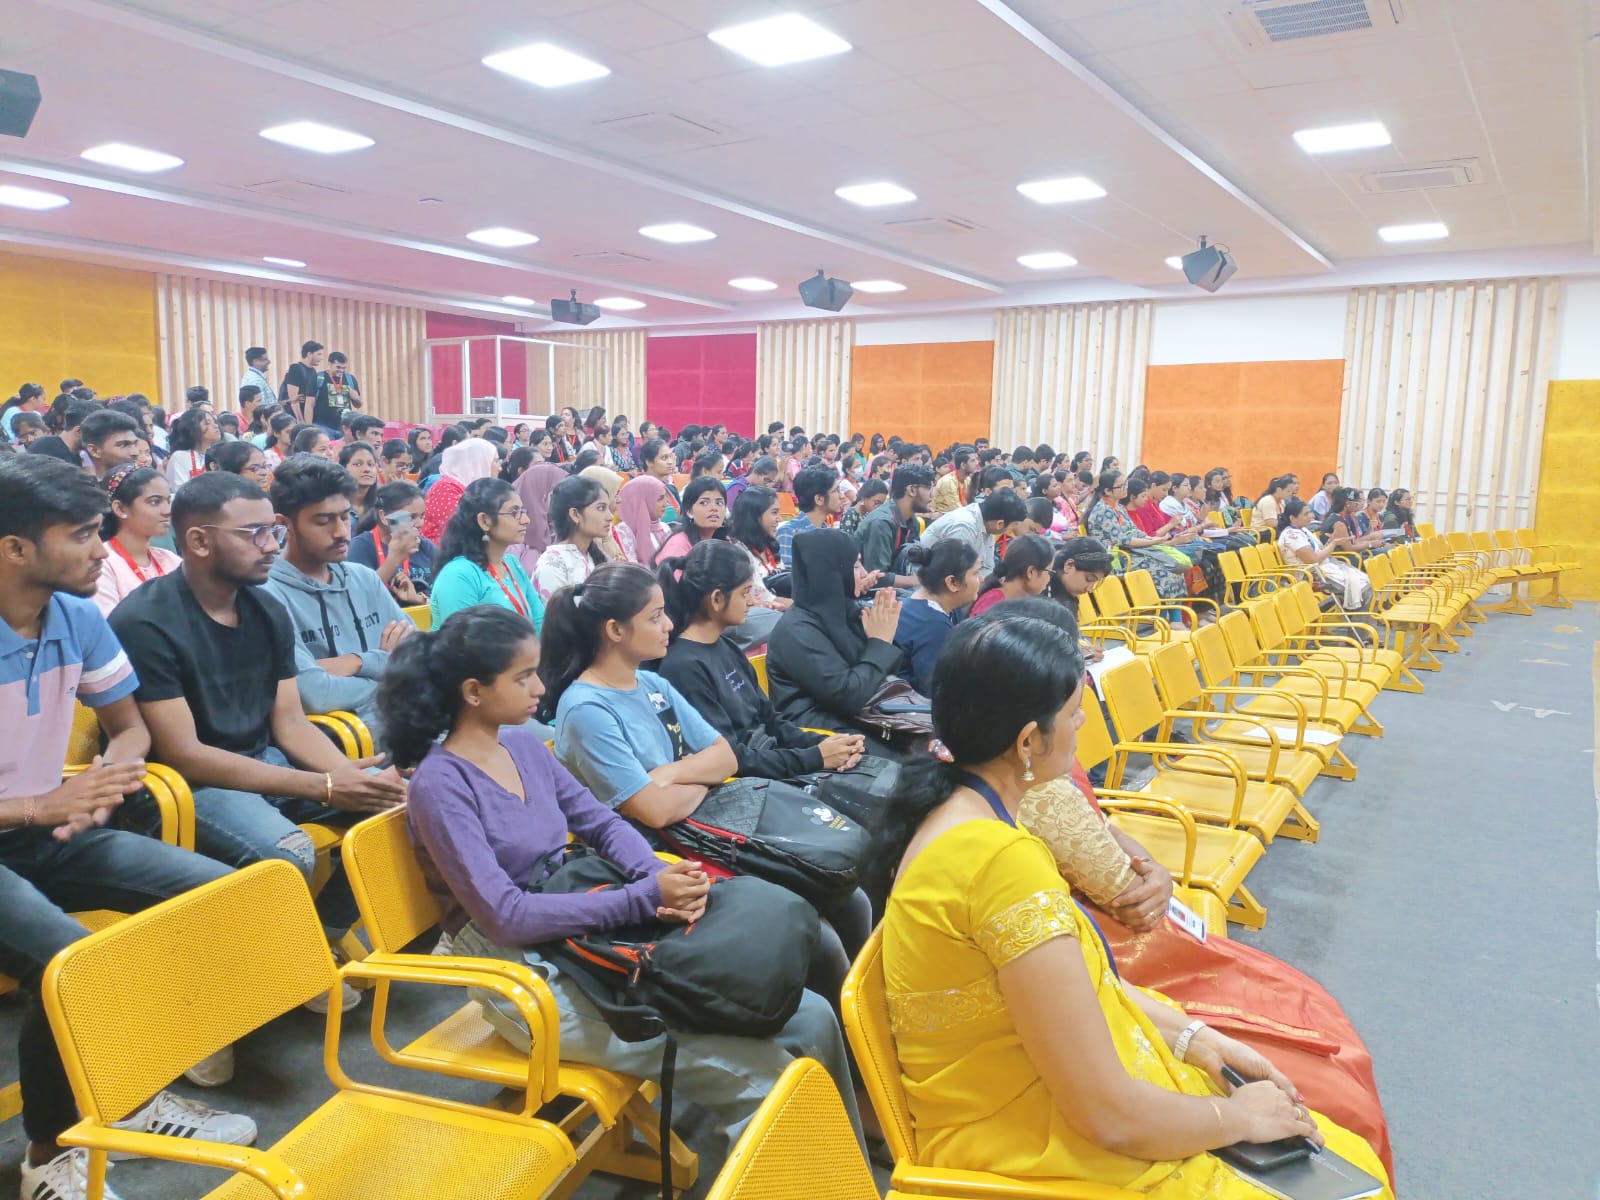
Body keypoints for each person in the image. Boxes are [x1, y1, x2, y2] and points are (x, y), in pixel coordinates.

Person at [874, 612, 1393, 1198]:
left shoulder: (963, 814)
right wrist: (1238, 1120)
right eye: (1073, 713)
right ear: (1028, 742)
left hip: (1031, 1114)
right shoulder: (997, 859)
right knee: (1349, 1171)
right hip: (1032, 1157)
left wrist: (1196, 1038)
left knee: (1331, 1145)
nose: (1083, 723)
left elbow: (1071, 1001)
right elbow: (1109, 1118)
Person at [381, 604, 858, 1161]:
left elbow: (602, 822)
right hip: (521, 976)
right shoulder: (440, 786)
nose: (540, 687)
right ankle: (815, 1172)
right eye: (523, 677)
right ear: (473, 691)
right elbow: (503, 917)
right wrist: (642, 897)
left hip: (579, 920)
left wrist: (656, 874)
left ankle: (838, 1161)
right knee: (766, 1083)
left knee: (812, 1015)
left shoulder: (523, 746)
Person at [0, 456, 260, 1200]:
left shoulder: (77, 615)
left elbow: (129, 728)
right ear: (16, 548)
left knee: (220, 898)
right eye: (83, 534)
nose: (101, 548)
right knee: (69, 960)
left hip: (53, 826)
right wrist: (36, 806)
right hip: (32, 823)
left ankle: (131, 1096)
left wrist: (114, 769)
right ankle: (49, 1157)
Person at [108, 472, 409, 1032]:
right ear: (198, 541)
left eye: (273, 530)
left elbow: (290, 724)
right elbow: (186, 754)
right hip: (183, 785)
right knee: (287, 852)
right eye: (255, 534)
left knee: (398, 804)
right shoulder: (145, 621)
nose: (272, 545)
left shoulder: (265, 609)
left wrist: (349, 777)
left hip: (262, 764)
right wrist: (324, 786)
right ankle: (217, 1009)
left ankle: (315, 944)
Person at [539, 561, 871, 1014]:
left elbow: (726, 757)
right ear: (615, 629)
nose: (669, 624)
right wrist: (695, 776)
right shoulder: (587, 710)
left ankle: (863, 1020)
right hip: (656, 854)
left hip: (705, 822)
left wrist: (672, 774)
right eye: (654, 616)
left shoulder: (652, 682)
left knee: (851, 897)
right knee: (820, 933)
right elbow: (652, 813)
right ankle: (848, 1050)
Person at [658, 540, 866, 781]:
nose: (752, 601)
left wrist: (829, 744)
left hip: (774, 761)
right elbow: (730, 757)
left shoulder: (725, 646)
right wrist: (815, 757)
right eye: (745, 592)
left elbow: (770, 719)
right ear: (716, 599)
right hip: (751, 780)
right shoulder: (683, 667)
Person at [262, 456, 412, 748]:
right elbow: (315, 694)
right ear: (284, 524)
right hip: (336, 742)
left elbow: (420, 659)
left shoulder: (363, 578)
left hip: (400, 722)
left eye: (344, 517)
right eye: (323, 521)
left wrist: (356, 662)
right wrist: (387, 668)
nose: (341, 532)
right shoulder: (268, 595)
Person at [767, 530, 904, 734]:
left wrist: (881, 640)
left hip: (864, 716)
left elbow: (888, 672)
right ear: (831, 572)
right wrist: (879, 643)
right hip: (820, 732)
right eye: (856, 565)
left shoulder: (848, 611)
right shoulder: (795, 631)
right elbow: (847, 697)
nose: (865, 573)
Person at [430, 477, 543, 629]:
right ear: (484, 521)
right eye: (514, 512)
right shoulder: (458, 574)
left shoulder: (511, 563)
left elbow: (539, 621)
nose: (526, 520)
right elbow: (460, 642)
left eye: (523, 511)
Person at [891, 540, 982, 696]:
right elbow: (934, 690)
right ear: (952, 582)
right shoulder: (933, 626)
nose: (982, 579)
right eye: (975, 573)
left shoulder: (923, 606)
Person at [1084, 471, 1188, 604]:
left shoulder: (1119, 507)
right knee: (1164, 571)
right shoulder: (1103, 510)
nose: (1125, 488)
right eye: (1121, 486)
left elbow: (1134, 531)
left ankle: (1174, 618)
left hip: (1130, 552)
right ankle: (1163, 616)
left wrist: (1151, 540)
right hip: (1116, 557)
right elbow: (1121, 540)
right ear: (1108, 491)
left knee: (1175, 567)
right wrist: (1152, 541)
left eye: (1126, 484)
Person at [93, 465, 180, 616]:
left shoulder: (170, 559)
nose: (167, 511)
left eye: (168, 500)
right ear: (120, 509)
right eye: (154, 502)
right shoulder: (102, 563)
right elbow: (111, 627)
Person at [349, 480, 435, 603]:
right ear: (383, 516)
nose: (420, 524)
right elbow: (360, 595)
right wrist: (394, 559)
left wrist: (418, 599)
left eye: (422, 516)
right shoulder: (361, 546)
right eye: (411, 517)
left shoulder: (425, 546)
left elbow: (443, 594)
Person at [1276, 498, 1371, 610]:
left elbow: (1320, 552)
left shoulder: (1304, 530)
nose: (1311, 516)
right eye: (1306, 514)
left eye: (1310, 512)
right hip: (1312, 576)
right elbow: (1313, 560)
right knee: (1363, 589)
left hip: (1324, 568)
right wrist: (1334, 543)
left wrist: (1332, 541)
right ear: (1292, 518)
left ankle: (1356, 621)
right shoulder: (1292, 536)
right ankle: (1359, 625)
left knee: (1367, 581)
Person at [919, 487, 1029, 576]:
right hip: (927, 583)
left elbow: (988, 568)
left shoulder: (987, 524)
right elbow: (956, 575)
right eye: (1014, 525)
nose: (1012, 530)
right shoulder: (964, 526)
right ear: (1000, 524)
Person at [534, 474, 612, 600]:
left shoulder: (595, 556)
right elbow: (557, 617)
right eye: (601, 508)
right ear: (575, 515)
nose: (610, 516)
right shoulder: (553, 564)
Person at [858, 464, 933, 586]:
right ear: (912, 490)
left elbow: (910, 560)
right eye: (929, 488)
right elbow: (876, 576)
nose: (931, 495)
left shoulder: (912, 520)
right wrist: (922, 581)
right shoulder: (881, 523)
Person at [727, 485, 793, 614]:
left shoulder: (770, 546)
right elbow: (767, 599)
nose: (779, 519)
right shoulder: (738, 553)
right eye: (774, 512)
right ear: (754, 517)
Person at [421, 436, 498, 543]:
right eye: (496, 461)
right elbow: (464, 530)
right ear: (479, 462)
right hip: (441, 553)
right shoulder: (446, 488)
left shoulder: (471, 487)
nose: (500, 467)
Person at [969, 532, 1054, 619]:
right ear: (1031, 572)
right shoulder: (992, 605)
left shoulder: (1022, 601)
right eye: (1049, 572)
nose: (1049, 579)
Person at [777, 463, 843, 568]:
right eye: (835, 491)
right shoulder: (790, 533)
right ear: (819, 499)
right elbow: (788, 577)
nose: (842, 496)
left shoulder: (828, 532)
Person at [655, 476, 728, 563]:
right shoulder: (678, 545)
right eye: (704, 503)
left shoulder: (726, 540)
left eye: (719, 503)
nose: (714, 508)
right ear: (689, 511)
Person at [615, 473, 671, 568]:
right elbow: (631, 568)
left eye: (665, 497)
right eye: (659, 499)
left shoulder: (664, 527)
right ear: (641, 502)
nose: (665, 503)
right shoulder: (623, 532)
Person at [28, 397, 98, 466]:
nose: (100, 441)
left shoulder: (74, 454)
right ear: (79, 431)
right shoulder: (49, 453)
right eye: (97, 434)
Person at [164, 406, 221, 487]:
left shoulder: (215, 454)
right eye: (207, 423)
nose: (216, 426)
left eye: (214, 422)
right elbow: (180, 491)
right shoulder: (180, 457)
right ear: (193, 429)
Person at [79, 409, 141, 479]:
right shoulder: (83, 489)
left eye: (135, 444)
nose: (135, 452)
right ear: (94, 450)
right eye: (123, 445)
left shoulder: (147, 485)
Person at [280, 340, 325, 427]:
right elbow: (293, 398)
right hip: (292, 417)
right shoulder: (296, 368)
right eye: (319, 354)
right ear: (309, 354)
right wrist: (300, 419)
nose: (321, 358)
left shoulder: (313, 371)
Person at [639, 437, 682, 522]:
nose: (670, 462)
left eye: (671, 457)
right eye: (664, 458)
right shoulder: (638, 490)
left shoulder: (671, 489)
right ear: (649, 462)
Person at [338, 440, 381, 524]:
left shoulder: (381, 505)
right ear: (343, 468)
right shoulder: (334, 505)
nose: (366, 469)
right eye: (357, 464)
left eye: (370, 464)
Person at [320, 351, 362, 431]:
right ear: (330, 364)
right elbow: (310, 404)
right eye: (338, 367)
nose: (341, 370)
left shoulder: (350, 379)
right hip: (323, 425)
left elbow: (358, 405)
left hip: (345, 426)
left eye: (344, 368)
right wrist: (309, 424)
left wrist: (355, 397)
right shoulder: (319, 378)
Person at [239, 346, 276, 414]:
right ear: (255, 361)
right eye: (265, 359)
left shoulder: (255, 376)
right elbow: (259, 407)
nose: (269, 362)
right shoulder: (254, 380)